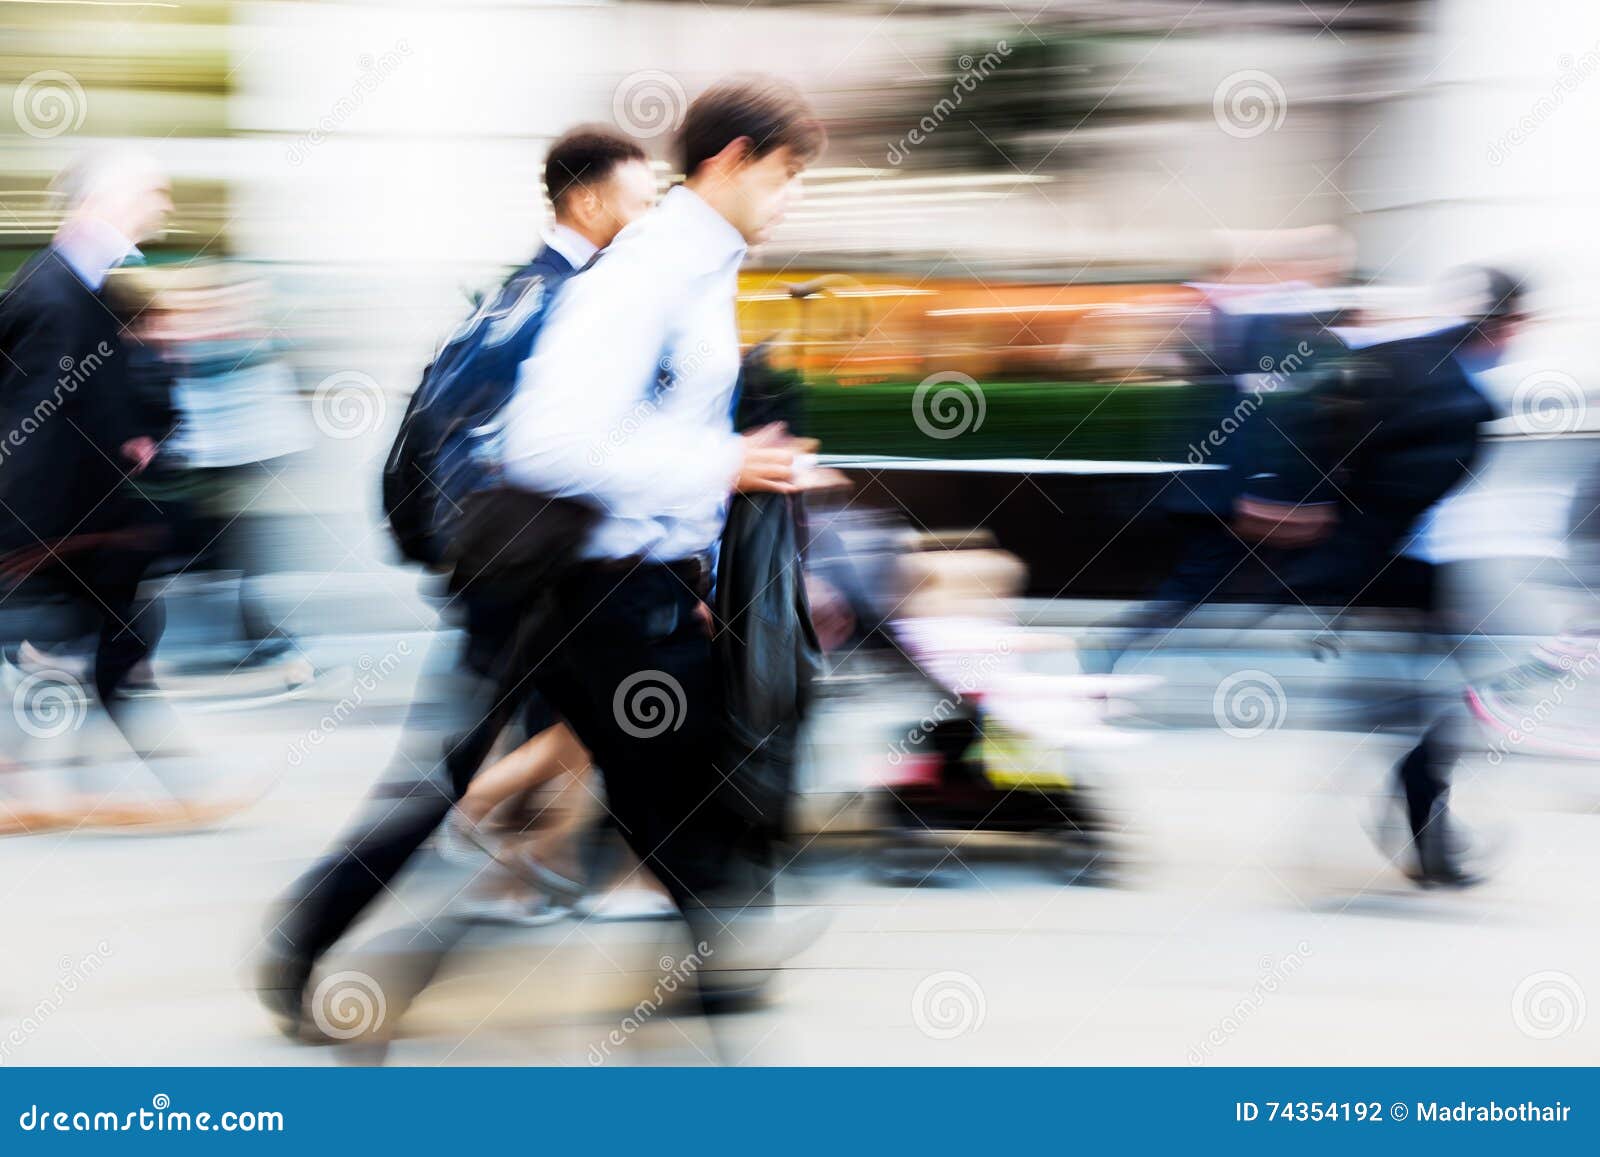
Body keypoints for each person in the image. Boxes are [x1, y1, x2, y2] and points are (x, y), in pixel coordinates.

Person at [257, 125, 662, 1031]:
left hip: (521, 572)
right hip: (545, 580)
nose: (648, 219)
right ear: (590, 200)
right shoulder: (570, 304)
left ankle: (716, 951)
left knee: (639, 751)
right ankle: (323, 945)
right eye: (640, 201)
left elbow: (438, 429)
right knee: (464, 772)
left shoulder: (513, 294)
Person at [0, 149, 202, 825]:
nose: (163, 205)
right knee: (76, 641)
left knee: (118, 633)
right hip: (48, 520)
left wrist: (139, 441)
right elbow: (31, 418)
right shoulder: (48, 291)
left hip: (89, 515)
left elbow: (104, 396)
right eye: (150, 191)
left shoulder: (97, 289)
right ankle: (146, 779)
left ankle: (89, 778)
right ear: (100, 203)